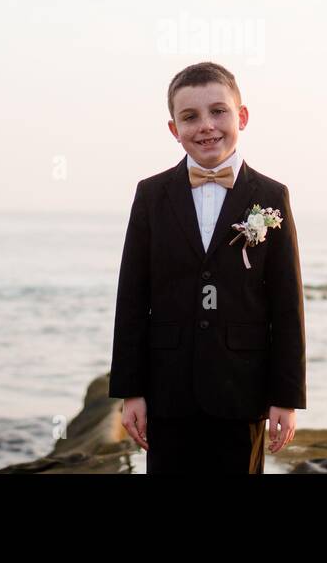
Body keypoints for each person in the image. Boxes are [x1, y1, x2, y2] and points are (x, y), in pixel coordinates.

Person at [108, 61, 307, 473]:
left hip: (242, 389)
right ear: (173, 129)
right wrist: (131, 391)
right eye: (190, 117)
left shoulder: (271, 195)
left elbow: (287, 305)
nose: (206, 126)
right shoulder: (151, 195)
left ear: (242, 117)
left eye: (218, 112)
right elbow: (132, 297)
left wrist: (285, 397)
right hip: (167, 390)